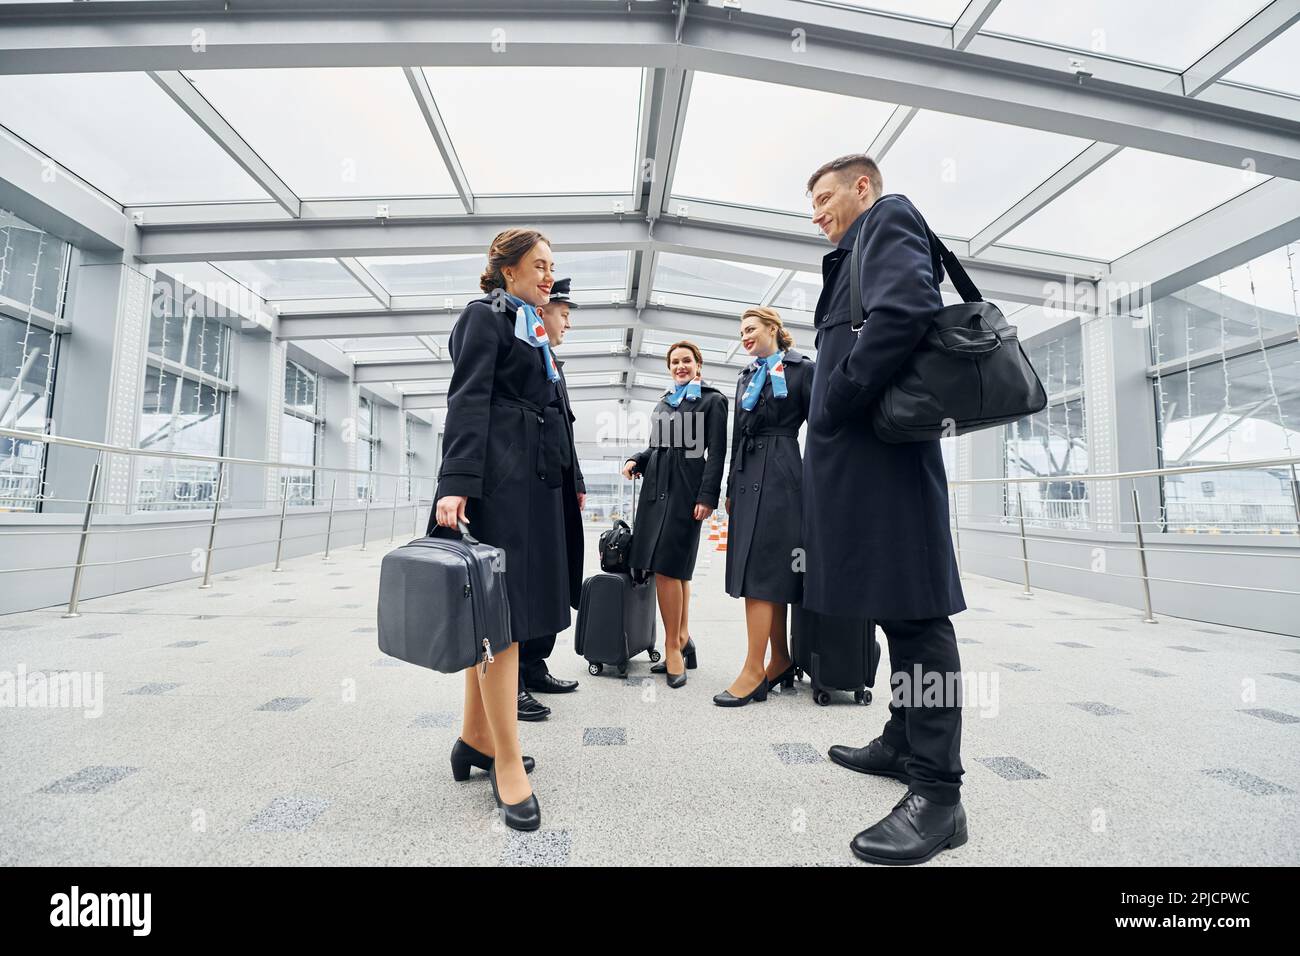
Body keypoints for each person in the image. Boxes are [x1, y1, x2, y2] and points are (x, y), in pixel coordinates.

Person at [801, 154, 968, 864]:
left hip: (886, 457)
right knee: (893, 604)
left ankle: (939, 794)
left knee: (917, 613)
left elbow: (903, 314)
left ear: (862, 188)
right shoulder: (853, 249)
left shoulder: (889, 217)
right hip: (863, 461)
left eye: (826, 197)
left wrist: (835, 400)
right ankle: (903, 738)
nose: (817, 212)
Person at [431, 227, 581, 832]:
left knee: (494, 618)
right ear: (508, 269)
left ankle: (474, 737)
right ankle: (508, 763)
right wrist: (457, 481)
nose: (549, 276)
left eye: (552, 267)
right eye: (539, 266)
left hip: (534, 485)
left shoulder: (530, 324)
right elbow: (467, 399)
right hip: (497, 486)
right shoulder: (484, 317)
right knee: (504, 619)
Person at [716, 307, 814, 707]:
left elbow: (822, 426)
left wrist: (816, 482)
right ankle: (780, 659)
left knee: (765, 570)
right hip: (746, 475)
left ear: (773, 329)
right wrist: (728, 485)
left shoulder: (802, 369)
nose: (745, 337)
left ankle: (755, 669)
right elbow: (737, 433)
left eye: (751, 330)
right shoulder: (745, 376)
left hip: (782, 474)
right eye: (741, 332)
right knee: (759, 570)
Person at [620, 342, 728, 688]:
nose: (680, 366)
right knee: (673, 569)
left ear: (699, 364)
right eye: (675, 362)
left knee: (670, 565)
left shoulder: (712, 401)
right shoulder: (664, 401)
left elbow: (717, 452)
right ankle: (682, 637)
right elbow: (656, 446)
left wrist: (708, 495)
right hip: (655, 489)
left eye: (687, 361)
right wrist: (638, 458)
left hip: (685, 489)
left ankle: (672, 647)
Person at [516, 277, 586, 721]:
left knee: (553, 575)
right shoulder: (526, 350)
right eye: (564, 315)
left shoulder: (551, 359)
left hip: (556, 480)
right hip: (529, 480)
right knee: (527, 579)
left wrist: (576, 479)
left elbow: (565, 426)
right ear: (543, 312)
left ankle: (536, 664)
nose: (567, 324)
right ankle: (516, 679)